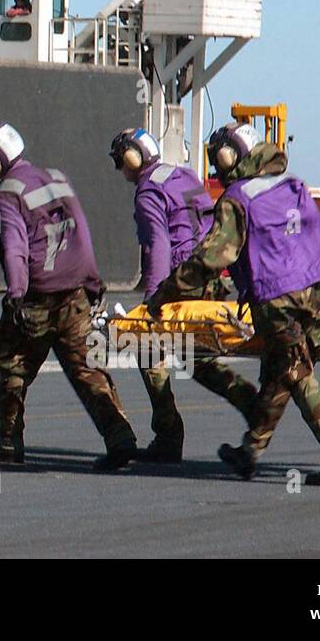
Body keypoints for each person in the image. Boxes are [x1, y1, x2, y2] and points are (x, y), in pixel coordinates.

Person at [148, 122, 320, 485]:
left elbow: (213, 257)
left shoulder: (238, 197)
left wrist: (168, 291)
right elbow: (314, 236)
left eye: (217, 158)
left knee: (296, 372)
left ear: (229, 156)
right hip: (315, 294)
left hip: (276, 299)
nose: (217, 166)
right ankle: (249, 451)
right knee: (281, 370)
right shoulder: (293, 185)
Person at [0, 121, 137, 471]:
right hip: (76, 294)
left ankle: (7, 441)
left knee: (11, 361)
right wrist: (93, 281)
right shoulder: (57, 179)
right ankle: (120, 437)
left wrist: (15, 295)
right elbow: (82, 233)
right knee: (88, 369)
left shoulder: (4, 197)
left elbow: (15, 248)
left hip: (37, 297)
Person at [109, 127, 258, 463]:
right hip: (208, 276)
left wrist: (152, 301)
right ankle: (253, 405)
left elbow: (158, 245)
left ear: (131, 158)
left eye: (120, 160)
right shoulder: (184, 175)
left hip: (181, 282)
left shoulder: (148, 192)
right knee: (197, 357)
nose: (120, 168)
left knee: (146, 346)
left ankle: (168, 435)